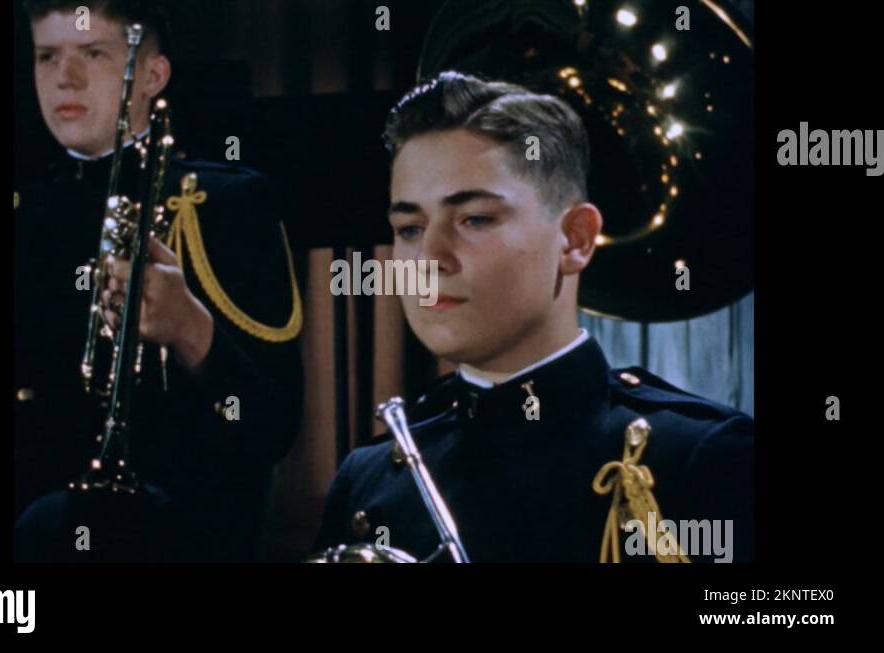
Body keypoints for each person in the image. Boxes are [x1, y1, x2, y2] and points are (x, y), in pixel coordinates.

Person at [313, 72, 754, 563]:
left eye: (474, 219)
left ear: (576, 239)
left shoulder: (698, 456)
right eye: (410, 227)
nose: (429, 258)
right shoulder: (369, 480)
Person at [13, 0, 304, 562]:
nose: (64, 78)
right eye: (47, 56)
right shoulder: (27, 213)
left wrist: (191, 330)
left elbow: (269, 428)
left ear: (153, 75)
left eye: (93, 53)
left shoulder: (224, 203)